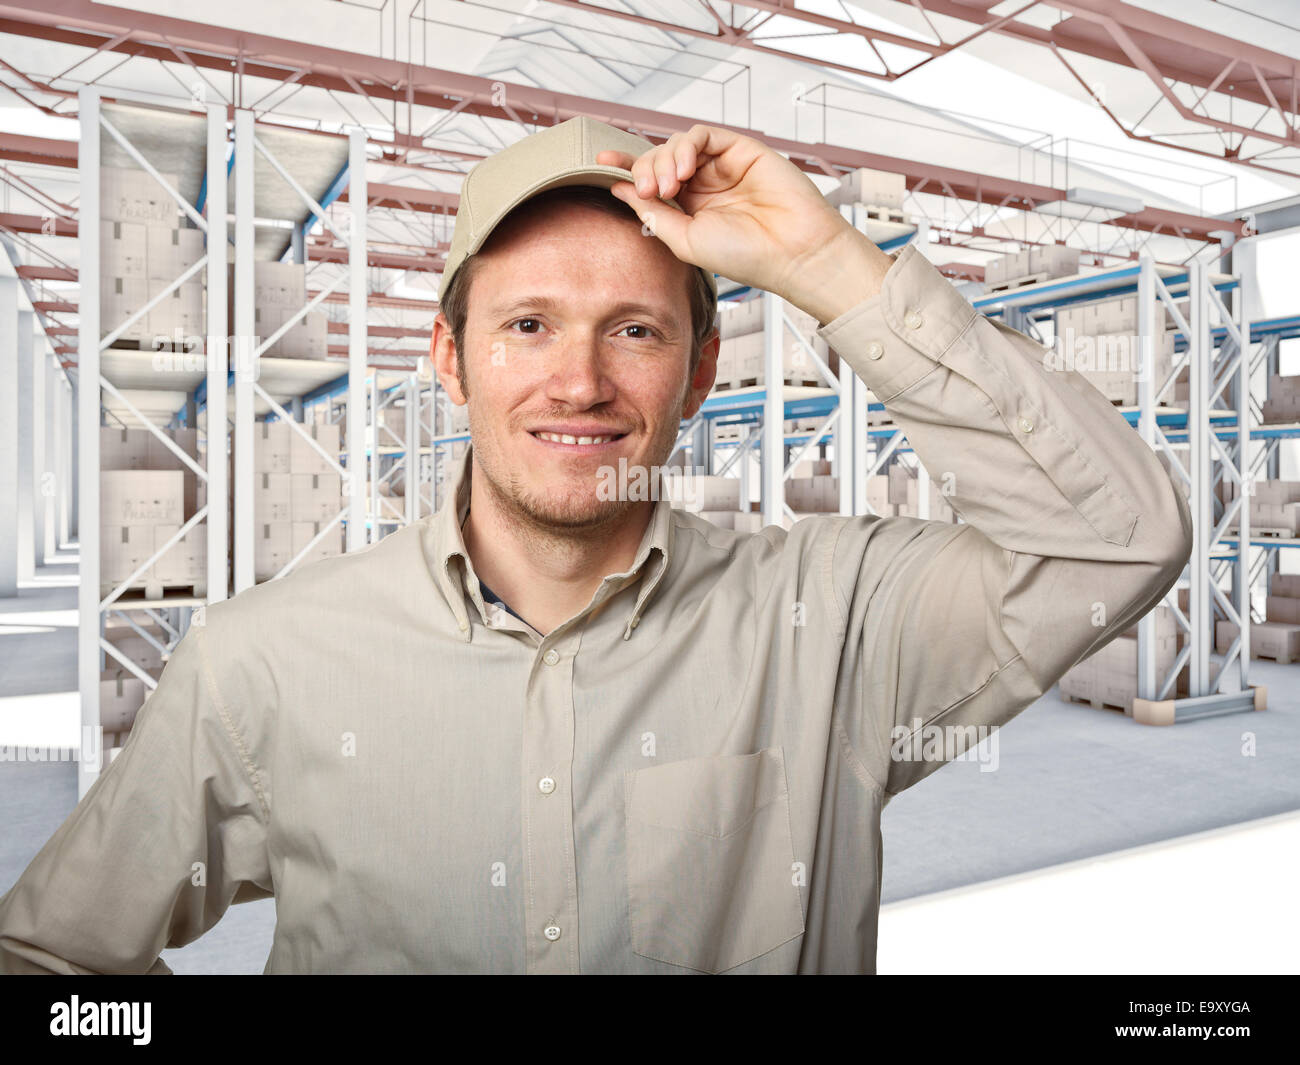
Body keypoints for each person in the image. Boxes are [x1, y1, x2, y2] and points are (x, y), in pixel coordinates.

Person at [0, 116, 1191, 974]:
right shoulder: (261, 662)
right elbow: (55, 964)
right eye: (527, 326)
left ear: (700, 372)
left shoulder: (835, 621)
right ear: (450, 358)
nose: (579, 382)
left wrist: (829, 269)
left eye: (634, 329)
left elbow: (1117, 542)